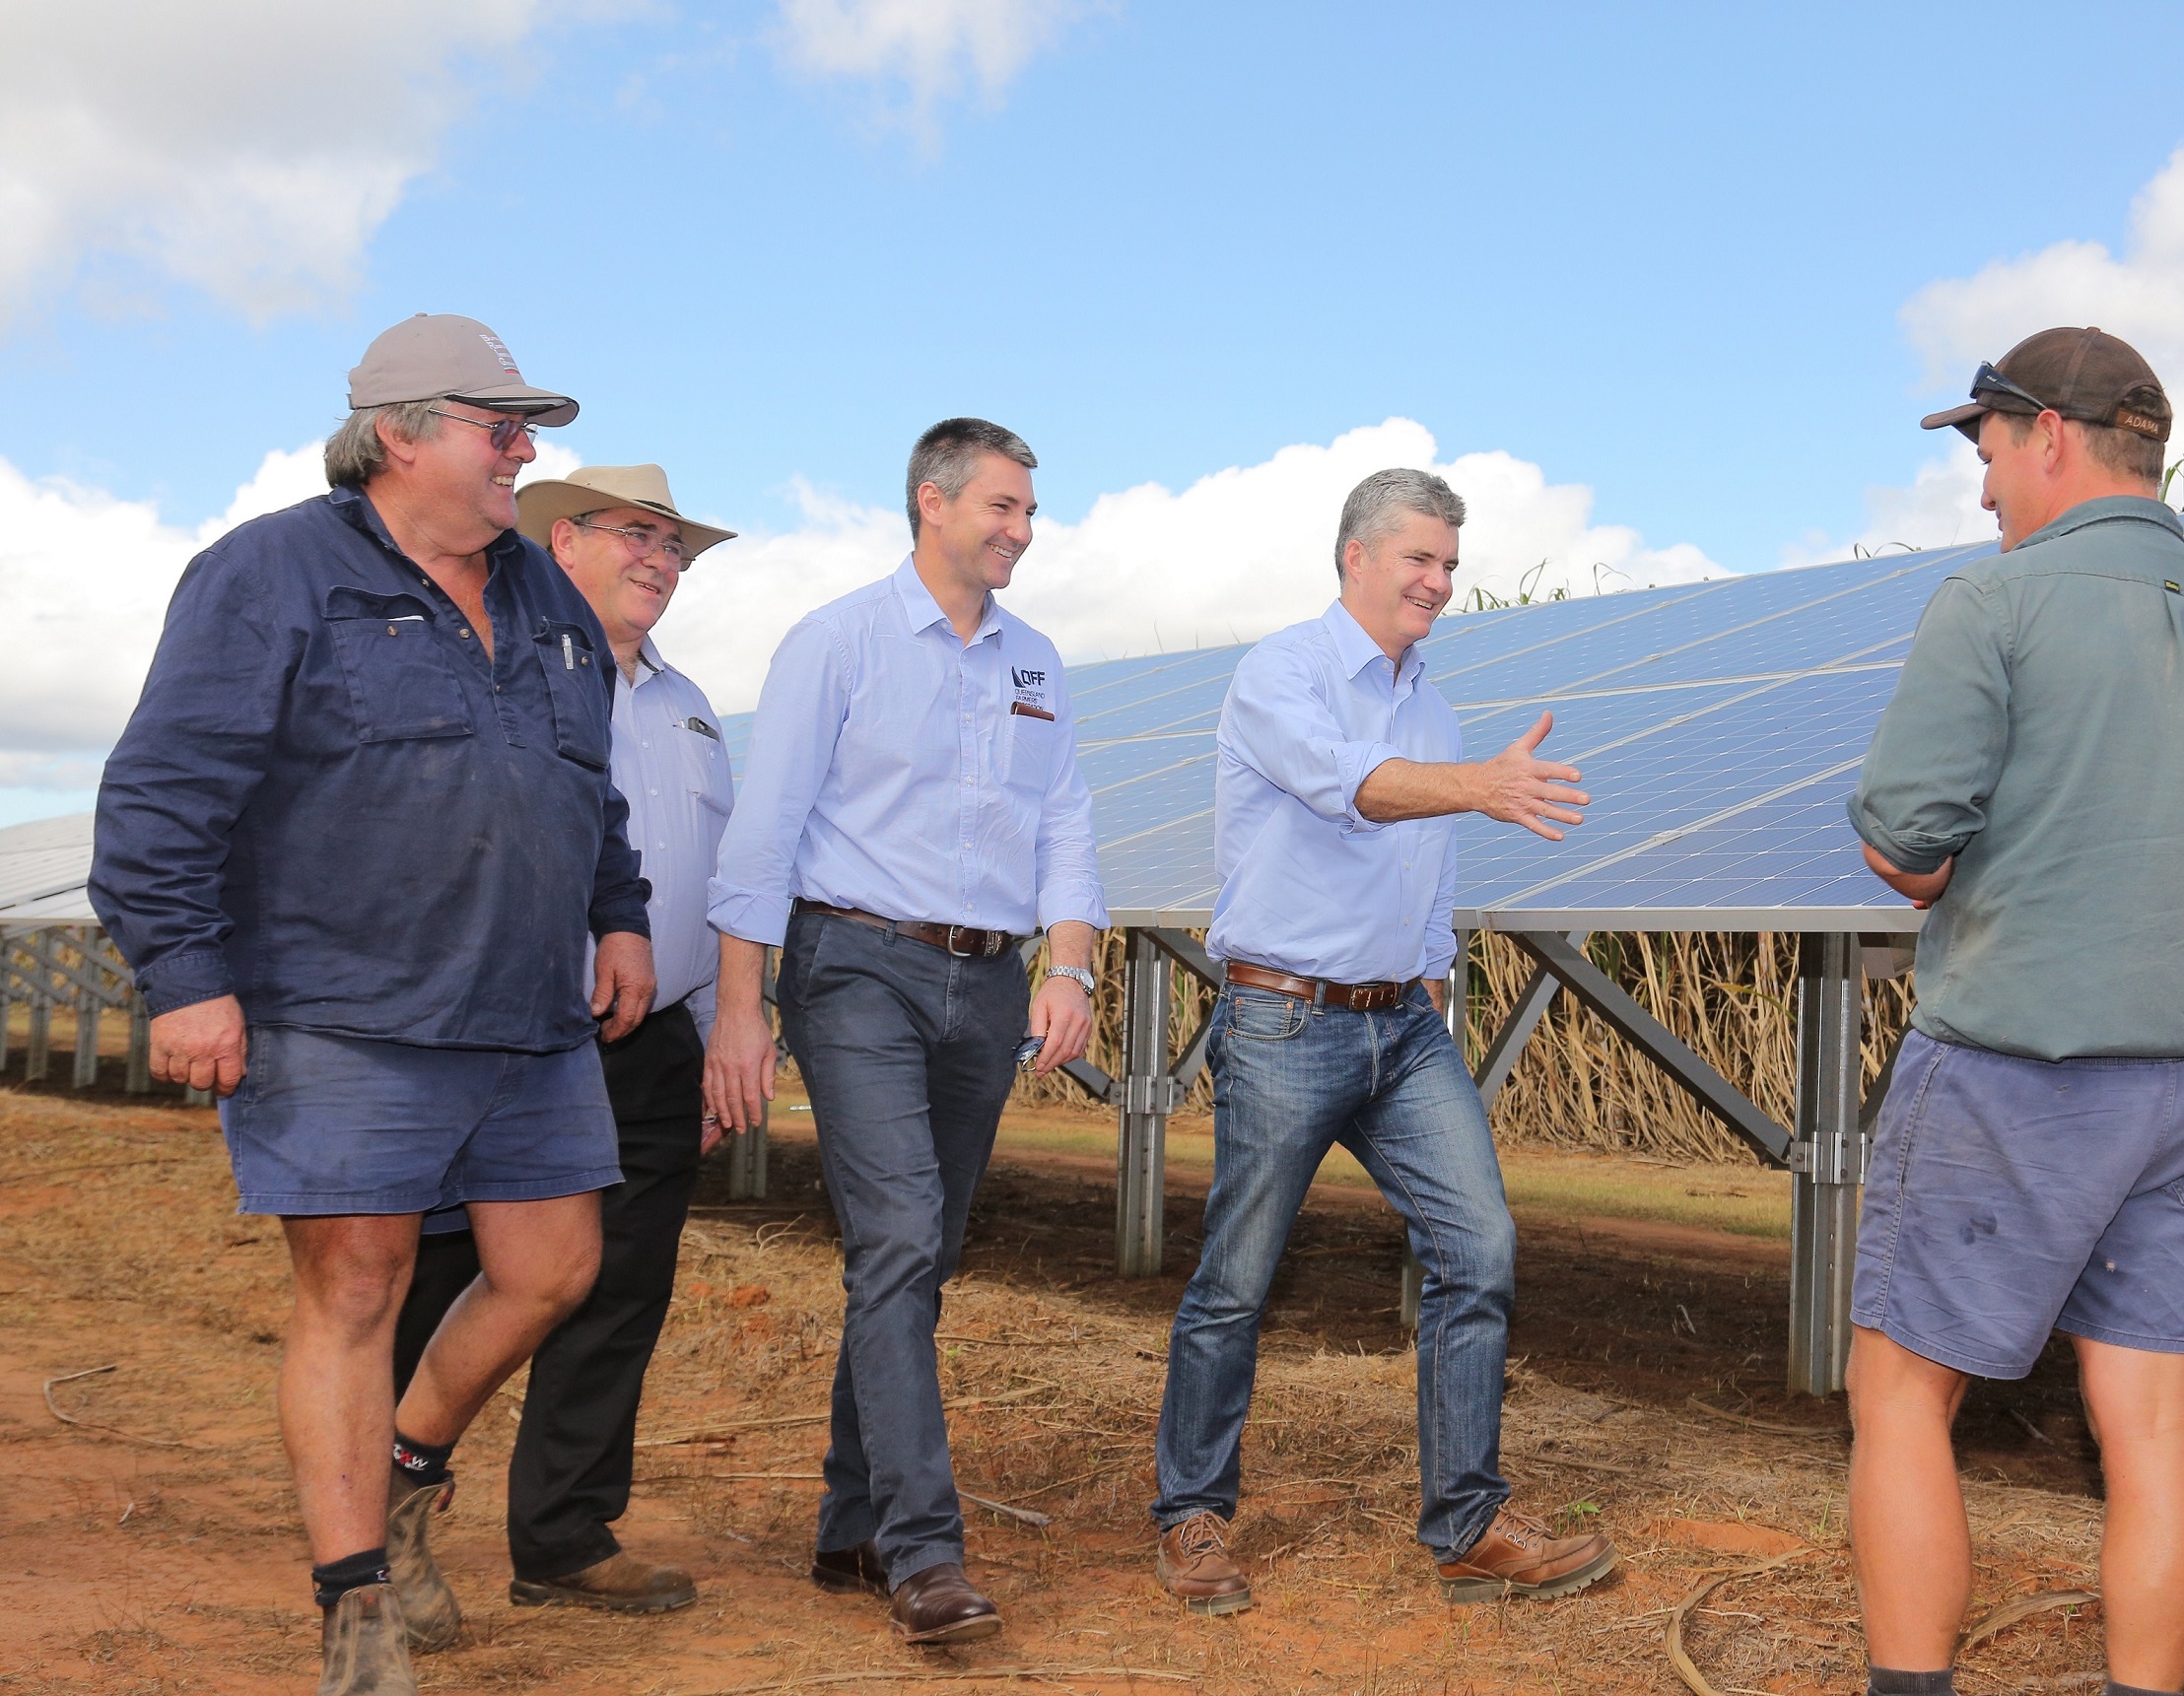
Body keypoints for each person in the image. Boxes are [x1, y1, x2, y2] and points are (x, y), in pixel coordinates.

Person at [89, 314, 654, 1696]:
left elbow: (590, 783)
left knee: (552, 1271)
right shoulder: (271, 574)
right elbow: (163, 789)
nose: (526, 451)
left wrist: (620, 912)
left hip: (525, 1011)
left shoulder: (545, 595)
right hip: (343, 1001)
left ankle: (403, 1471)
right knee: (355, 1286)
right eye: (498, 424)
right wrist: (186, 977)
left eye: (527, 426)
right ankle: (355, 1611)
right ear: (399, 434)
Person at [1844, 327, 2184, 1696]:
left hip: (2014, 1072)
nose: (1982, 490)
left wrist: (1919, 857)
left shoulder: (1992, 608)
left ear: (2045, 433)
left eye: (1985, 454)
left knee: (1900, 1395)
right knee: (2149, 1409)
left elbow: (1909, 843)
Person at [1150, 467, 1616, 1615]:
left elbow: (1422, 868)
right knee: (1236, 1279)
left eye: (1451, 564)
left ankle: (1465, 1523)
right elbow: (1349, 787)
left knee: (1481, 1249)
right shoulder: (1282, 674)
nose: (1438, 581)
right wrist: (1480, 787)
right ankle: (1193, 1515)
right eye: (1419, 558)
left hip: (1402, 1029)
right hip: (1284, 1020)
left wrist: (1432, 980)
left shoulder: (1433, 705)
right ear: (1354, 555)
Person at [703, 417, 1107, 1645]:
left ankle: (848, 1522)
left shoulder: (1035, 663)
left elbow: (1067, 824)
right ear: (930, 502)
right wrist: (739, 1007)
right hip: (855, 966)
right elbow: (763, 830)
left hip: (985, 984)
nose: (1020, 530)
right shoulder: (837, 640)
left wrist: (1071, 964)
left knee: (917, 1251)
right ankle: (924, 1552)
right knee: (895, 1239)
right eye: (1000, 506)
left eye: (1029, 512)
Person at [392, 465, 738, 1615]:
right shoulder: (509, 664)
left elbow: (711, 879)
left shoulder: (692, 704)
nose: (663, 560)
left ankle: (564, 1534)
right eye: (640, 536)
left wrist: (715, 1027)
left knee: (620, 1288)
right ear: (566, 537)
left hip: (654, 1039)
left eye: (676, 547)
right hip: (513, 1031)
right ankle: (385, 1516)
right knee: (448, 1271)